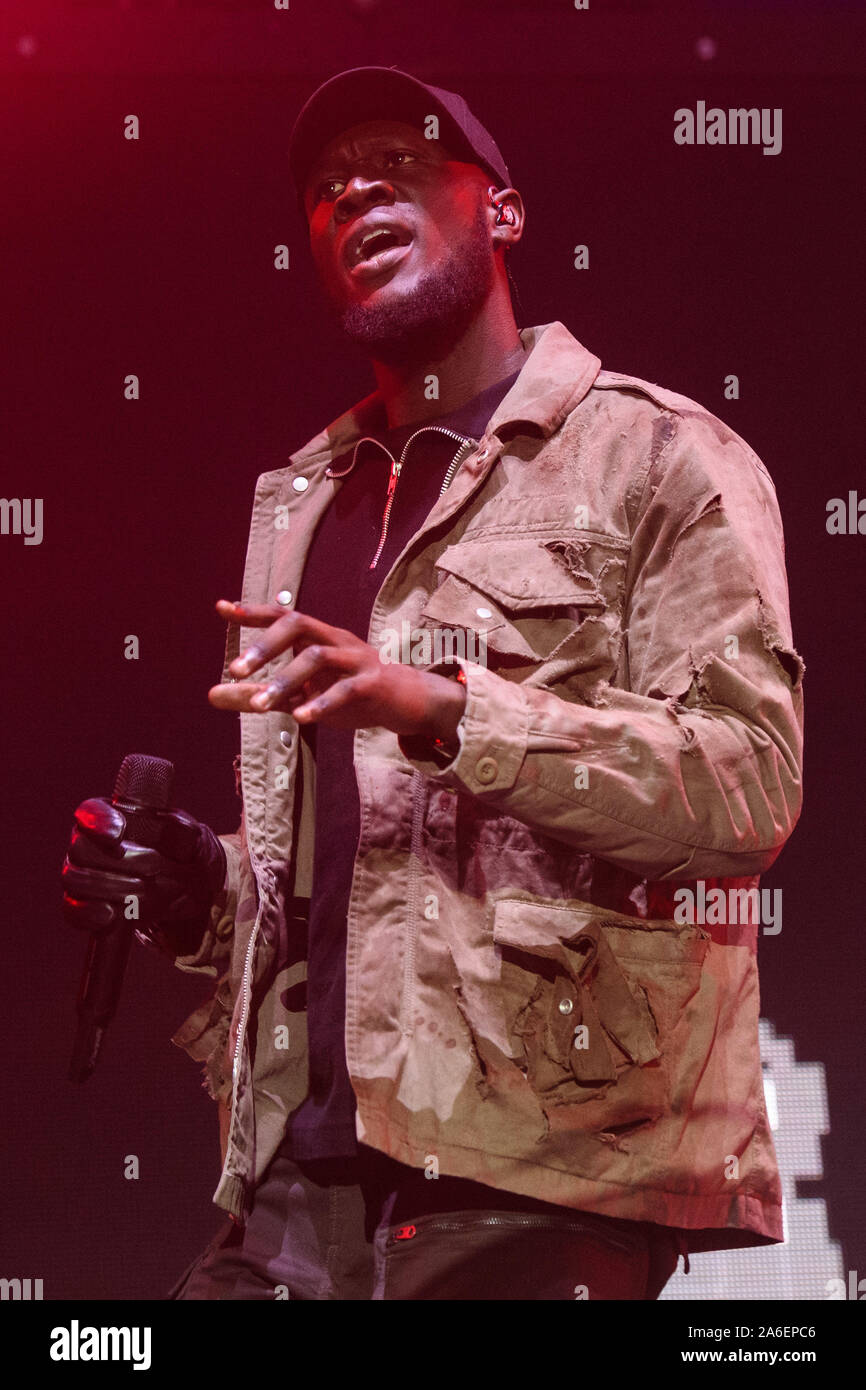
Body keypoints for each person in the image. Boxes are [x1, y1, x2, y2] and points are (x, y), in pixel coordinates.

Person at [62, 66, 804, 1300]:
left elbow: (746, 784)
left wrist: (443, 708)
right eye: (323, 187)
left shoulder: (658, 454)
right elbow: (346, 886)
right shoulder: (305, 503)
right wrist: (195, 888)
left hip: (539, 1176)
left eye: (396, 164)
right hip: (298, 1179)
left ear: (500, 213)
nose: (351, 189)